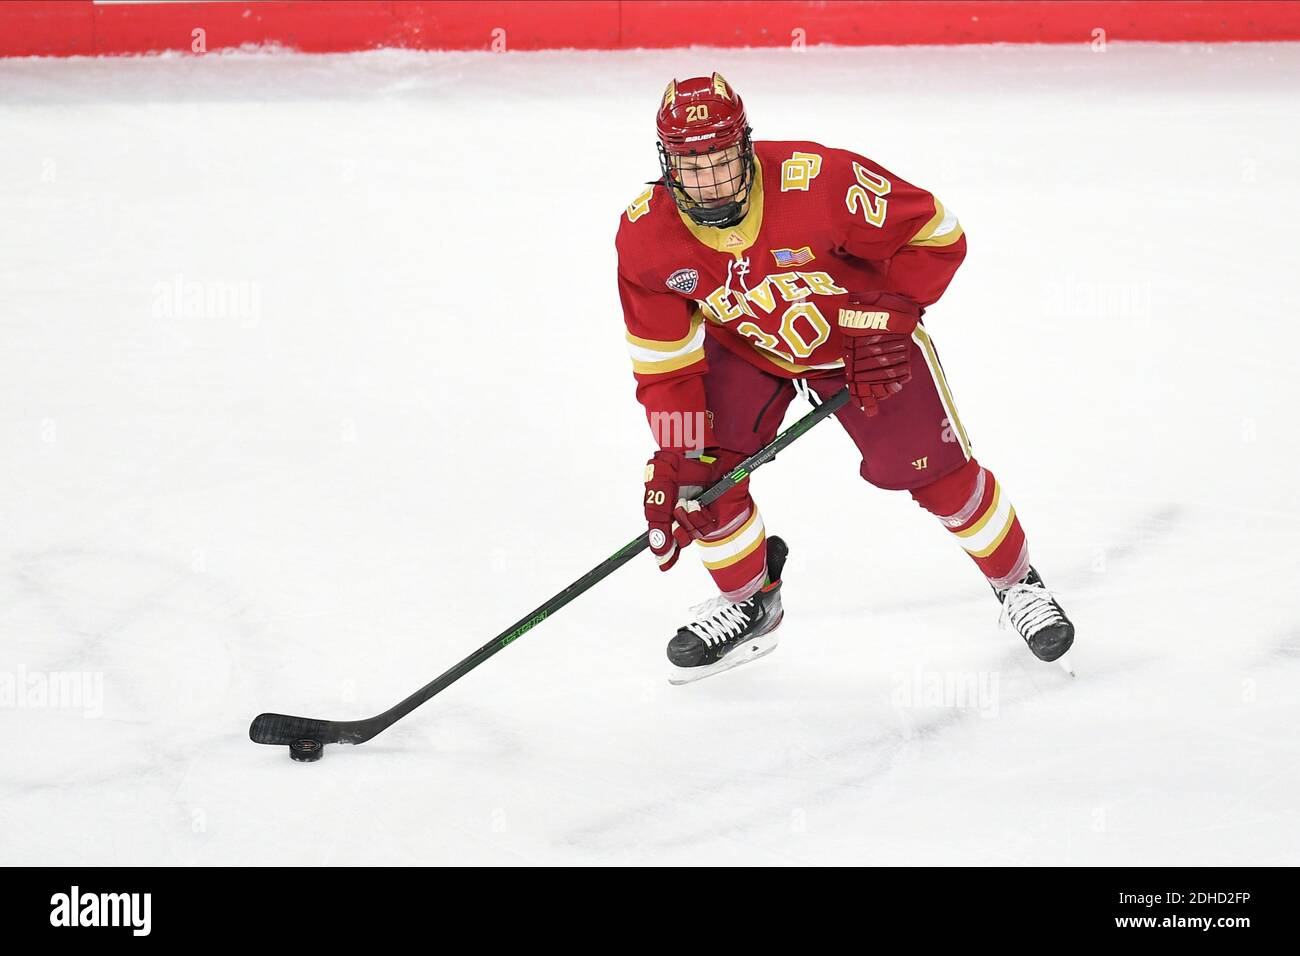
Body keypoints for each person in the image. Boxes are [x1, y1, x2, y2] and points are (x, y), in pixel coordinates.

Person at [615, 73, 1074, 683]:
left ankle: (1017, 584)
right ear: (665, 162)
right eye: (690, 166)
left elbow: (938, 235)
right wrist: (680, 451)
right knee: (706, 476)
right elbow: (664, 363)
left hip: (866, 347)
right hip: (753, 350)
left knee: (938, 478)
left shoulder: (822, 182)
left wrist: (883, 321)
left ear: (746, 146)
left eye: (722, 161)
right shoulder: (647, 237)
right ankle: (750, 600)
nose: (709, 182)